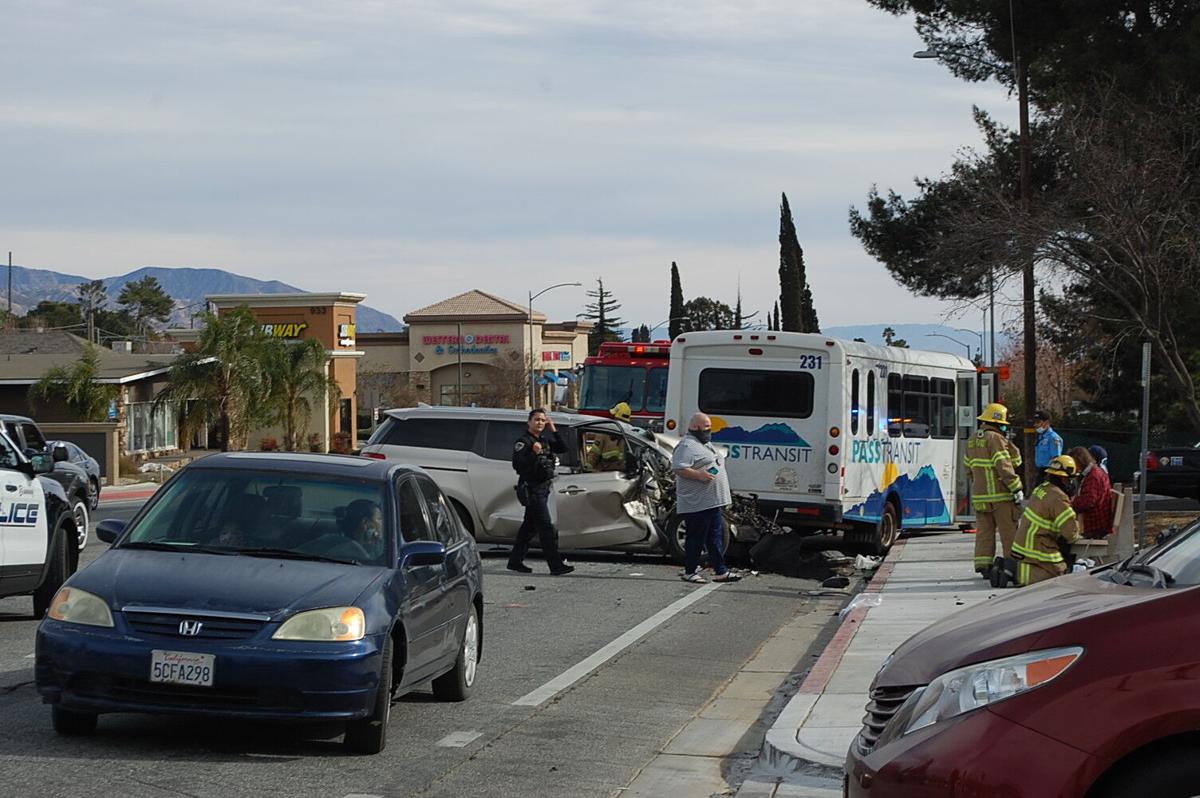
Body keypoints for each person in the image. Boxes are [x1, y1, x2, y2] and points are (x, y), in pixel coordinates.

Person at [671, 412, 740, 584]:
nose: (709, 431)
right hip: (697, 502)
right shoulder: (686, 446)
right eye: (707, 428)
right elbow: (678, 468)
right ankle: (690, 571)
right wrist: (698, 475)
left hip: (712, 501)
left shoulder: (704, 443)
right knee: (696, 536)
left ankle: (720, 571)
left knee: (714, 536)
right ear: (695, 427)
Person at [509, 408, 574, 575]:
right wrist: (533, 453)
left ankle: (515, 561)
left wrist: (554, 429)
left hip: (543, 488)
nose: (540, 423)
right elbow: (518, 465)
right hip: (532, 488)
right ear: (529, 422)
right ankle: (556, 565)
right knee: (546, 528)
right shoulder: (524, 442)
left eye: (543, 420)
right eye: (536, 419)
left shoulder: (544, 440)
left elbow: (563, 448)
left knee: (529, 527)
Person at [965, 402, 1023, 580]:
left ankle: (984, 566)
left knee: (984, 533)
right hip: (1001, 497)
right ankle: (1012, 567)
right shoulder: (996, 439)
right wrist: (1017, 488)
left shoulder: (973, 439)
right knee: (1009, 533)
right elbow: (1005, 467)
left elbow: (968, 469)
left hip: (980, 497)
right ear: (998, 423)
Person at [1010, 455, 1082, 587]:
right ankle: (1025, 577)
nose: (1072, 483)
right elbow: (1071, 534)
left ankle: (1020, 574)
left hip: (1023, 544)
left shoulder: (1042, 488)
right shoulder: (1059, 498)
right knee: (1062, 573)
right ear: (1063, 478)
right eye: (1071, 479)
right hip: (1038, 546)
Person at [1069, 446, 1113, 539]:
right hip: (1098, 522)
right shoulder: (1094, 472)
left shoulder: (1093, 476)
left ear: (1080, 461)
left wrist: (1069, 504)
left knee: (1063, 537)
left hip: (1095, 527)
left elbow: (1088, 502)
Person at [1033, 410, 1064, 483]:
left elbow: (1056, 458)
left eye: (1038, 422)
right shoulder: (1041, 437)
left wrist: (1049, 475)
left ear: (1046, 423)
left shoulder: (1054, 438)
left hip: (1049, 473)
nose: (1035, 425)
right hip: (1040, 471)